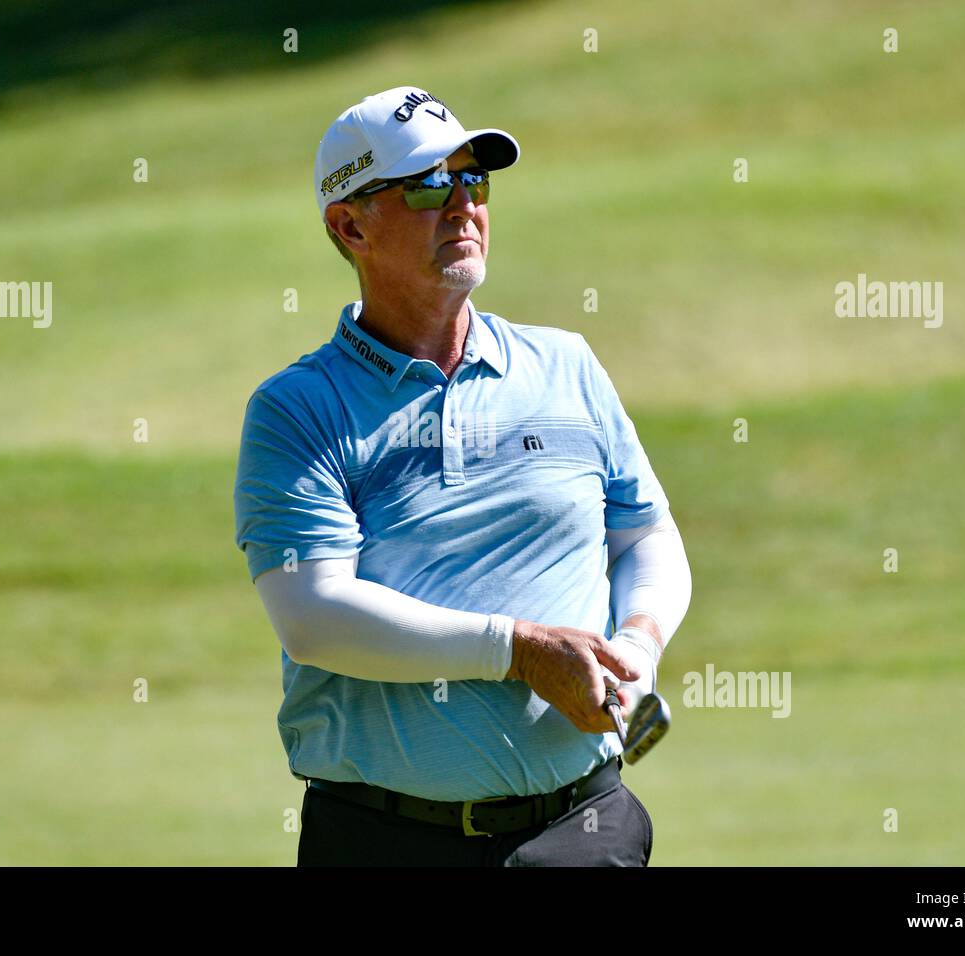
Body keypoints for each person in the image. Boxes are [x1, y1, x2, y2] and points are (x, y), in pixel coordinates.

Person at [234, 87, 692, 866]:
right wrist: (517, 650)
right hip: (386, 842)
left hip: (581, 832)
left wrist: (638, 644)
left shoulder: (567, 365)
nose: (462, 205)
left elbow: (645, 535)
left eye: (473, 180)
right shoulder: (300, 408)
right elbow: (313, 616)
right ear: (350, 225)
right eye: (426, 185)